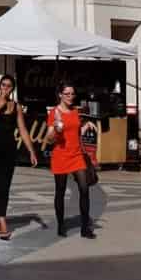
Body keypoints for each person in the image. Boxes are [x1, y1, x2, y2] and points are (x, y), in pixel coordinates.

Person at [0, 73, 38, 240]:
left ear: (13, 89)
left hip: (9, 151)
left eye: (9, 86)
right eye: (3, 85)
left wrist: (32, 151)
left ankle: (0, 219)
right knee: (0, 185)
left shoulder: (16, 106)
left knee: (4, 186)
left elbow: (23, 130)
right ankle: (3, 222)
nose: (5, 88)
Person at [47, 82, 99, 238]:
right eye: (67, 94)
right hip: (61, 155)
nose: (70, 97)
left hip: (77, 155)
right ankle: (61, 225)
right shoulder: (54, 113)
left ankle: (85, 228)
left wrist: (87, 125)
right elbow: (49, 139)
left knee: (84, 188)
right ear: (60, 95)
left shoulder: (75, 112)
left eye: (72, 94)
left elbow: (75, 133)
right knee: (60, 191)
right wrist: (56, 128)